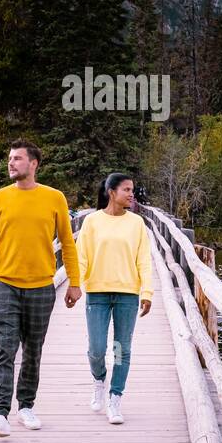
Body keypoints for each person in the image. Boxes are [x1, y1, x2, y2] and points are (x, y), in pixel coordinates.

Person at [0, 139, 81, 437]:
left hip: (41, 287)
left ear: (33, 164)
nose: (11, 163)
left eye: (18, 158)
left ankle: (26, 406)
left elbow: (68, 244)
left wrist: (75, 281)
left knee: (33, 350)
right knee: (4, 348)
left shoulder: (54, 198)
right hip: (5, 285)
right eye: (10, 158)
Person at [70, 172, 153, 424]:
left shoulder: (136, 223)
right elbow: (81, 256)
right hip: (98, 292)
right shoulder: (93, 222)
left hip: (127, 294)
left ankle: (115, 398)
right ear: (111, 192)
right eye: (127, 190)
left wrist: (146, 292)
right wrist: (75, 284)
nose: (131, 194)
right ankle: (99, 380)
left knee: (121, 349)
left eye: (132, 190)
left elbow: (144, 260)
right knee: (96, 349)